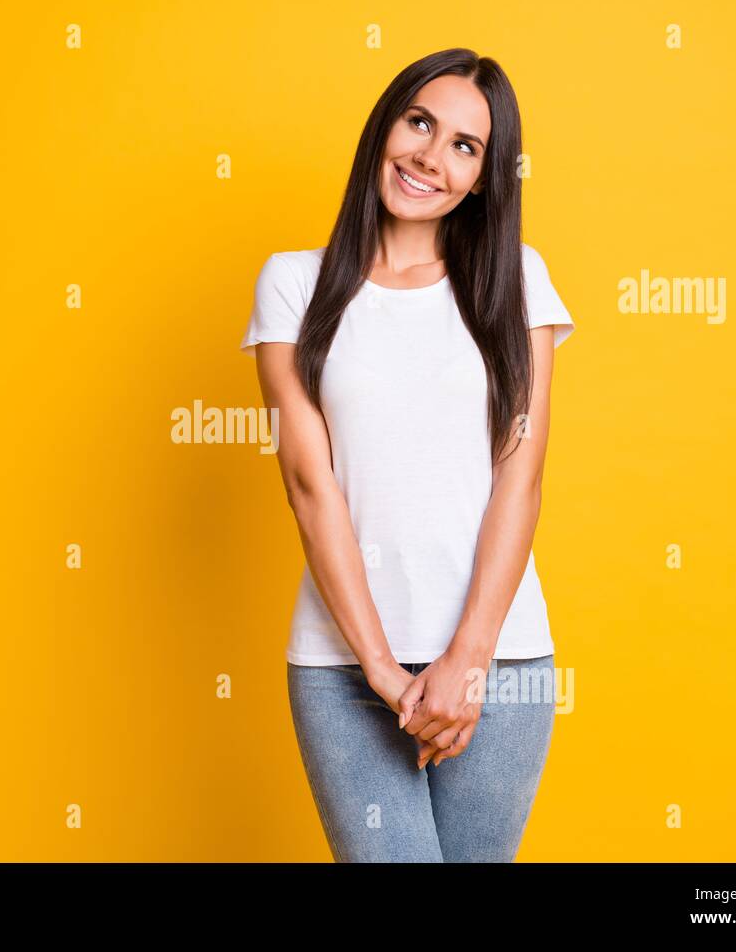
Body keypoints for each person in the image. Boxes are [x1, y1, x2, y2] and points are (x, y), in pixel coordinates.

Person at [240, 48, 576, 862]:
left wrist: (467, 658)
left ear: (484, 179)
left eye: (466, 146)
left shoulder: (516, 282)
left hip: (501, 664)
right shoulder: (294, 283)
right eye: (420, 121)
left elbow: (519, 476)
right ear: (385, 127)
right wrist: (386, 673)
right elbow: (310, 489)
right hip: (346, 670)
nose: (432, 155)